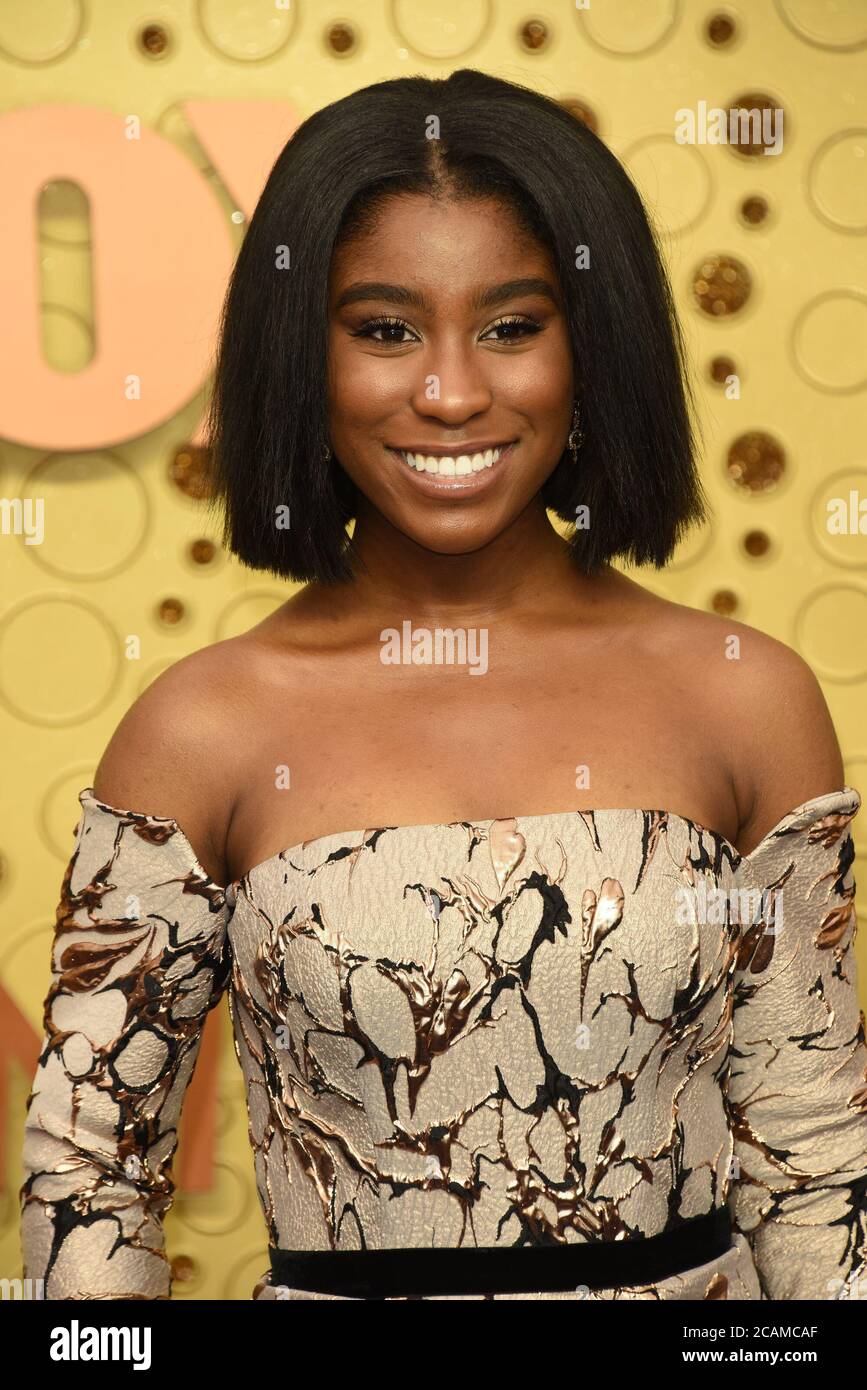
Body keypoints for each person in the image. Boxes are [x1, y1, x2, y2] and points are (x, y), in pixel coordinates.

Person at [20, 68, 866, 1301]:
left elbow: (817, 1170)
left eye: (514, 325)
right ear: (300, 355)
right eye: (384, 328)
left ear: (596, 343)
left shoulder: (745, 697)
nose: (454, 391)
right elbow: (89, 1174)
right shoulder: (200, 729)